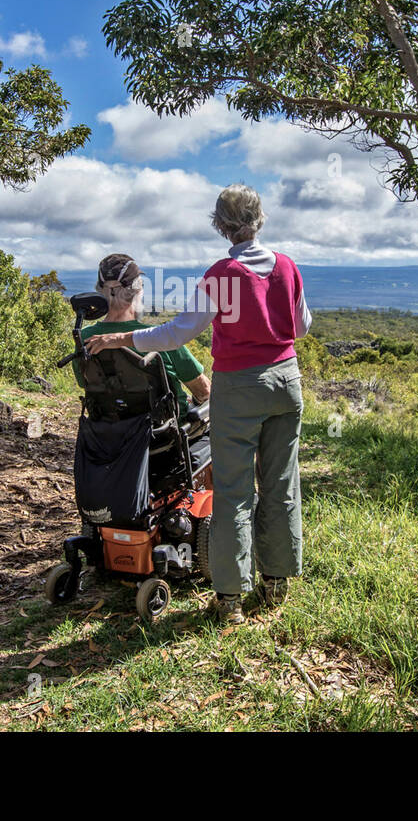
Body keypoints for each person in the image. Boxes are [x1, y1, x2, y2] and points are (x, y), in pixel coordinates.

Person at [86, 185, 310, 623]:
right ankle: (276, 583)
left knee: (233, 490)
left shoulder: (223, 275)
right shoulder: (287, 266)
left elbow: (175, 334)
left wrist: (120, 337)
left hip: (240, 386)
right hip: (286, 381)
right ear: (258, 219)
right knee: (282, 483)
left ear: (221, 226)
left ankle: (229, 599)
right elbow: (301, 327)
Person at [76, 253, 210, 416]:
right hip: (164, 434)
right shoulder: (160, 337)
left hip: (108, 429)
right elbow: (204, 392)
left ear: (99, 290)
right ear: (138, 290)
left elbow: (86, 383)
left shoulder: (84, 338)